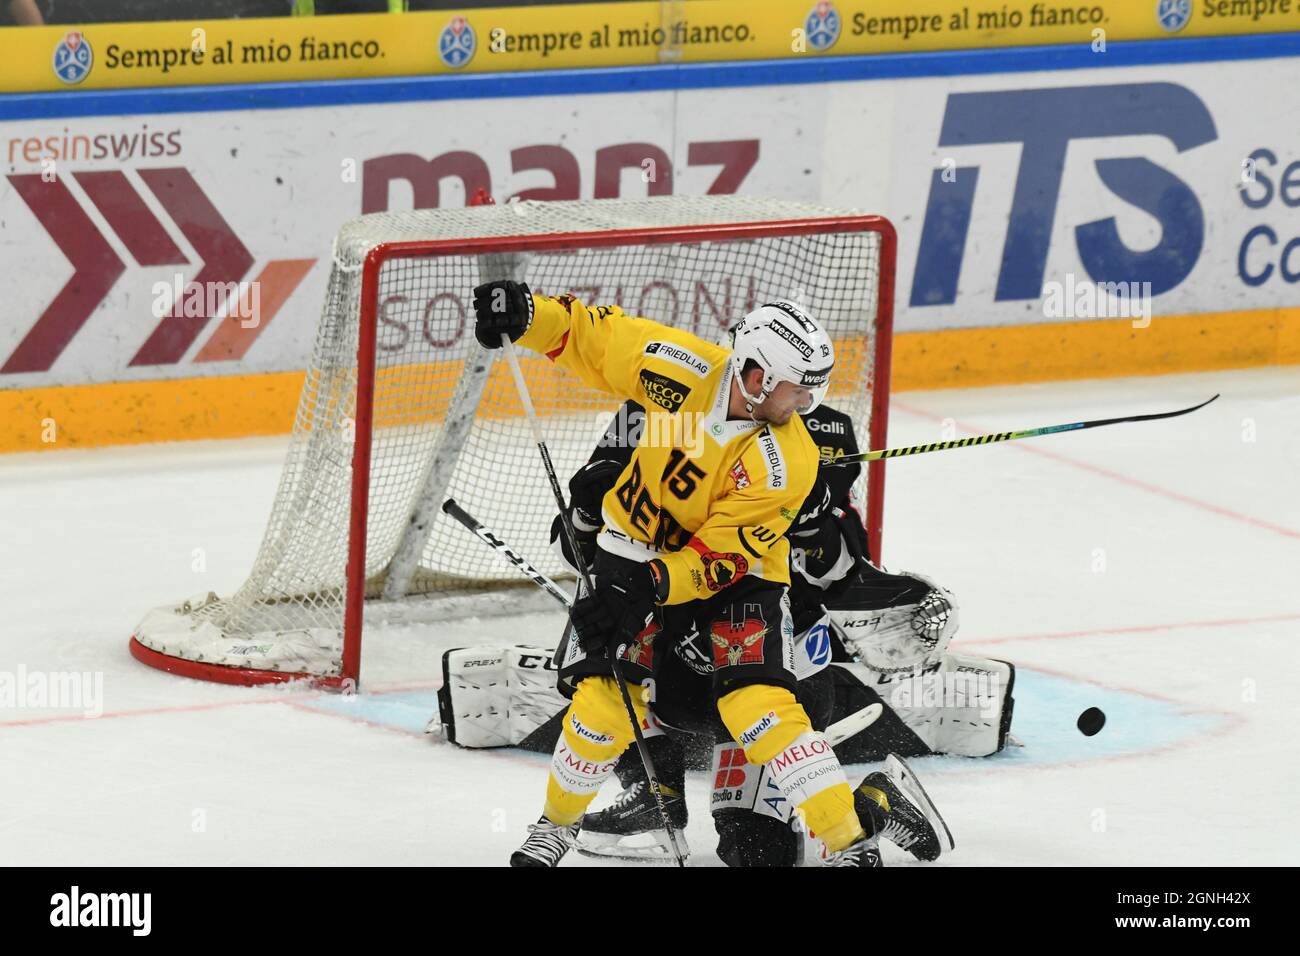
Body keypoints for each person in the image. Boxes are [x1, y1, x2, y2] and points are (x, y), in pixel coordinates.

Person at [473, 280, 886, 866]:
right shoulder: (684, 374)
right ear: (757, 374)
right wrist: (529, 314)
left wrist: (648, 586)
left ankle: (850, 842)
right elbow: (596, 337)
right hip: (634, 553)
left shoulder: (787, 460)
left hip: (735, 580)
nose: (803, 405)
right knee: (604, 703)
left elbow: (719, 560)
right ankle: (556, 826)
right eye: (795, 389)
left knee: (761, 711)